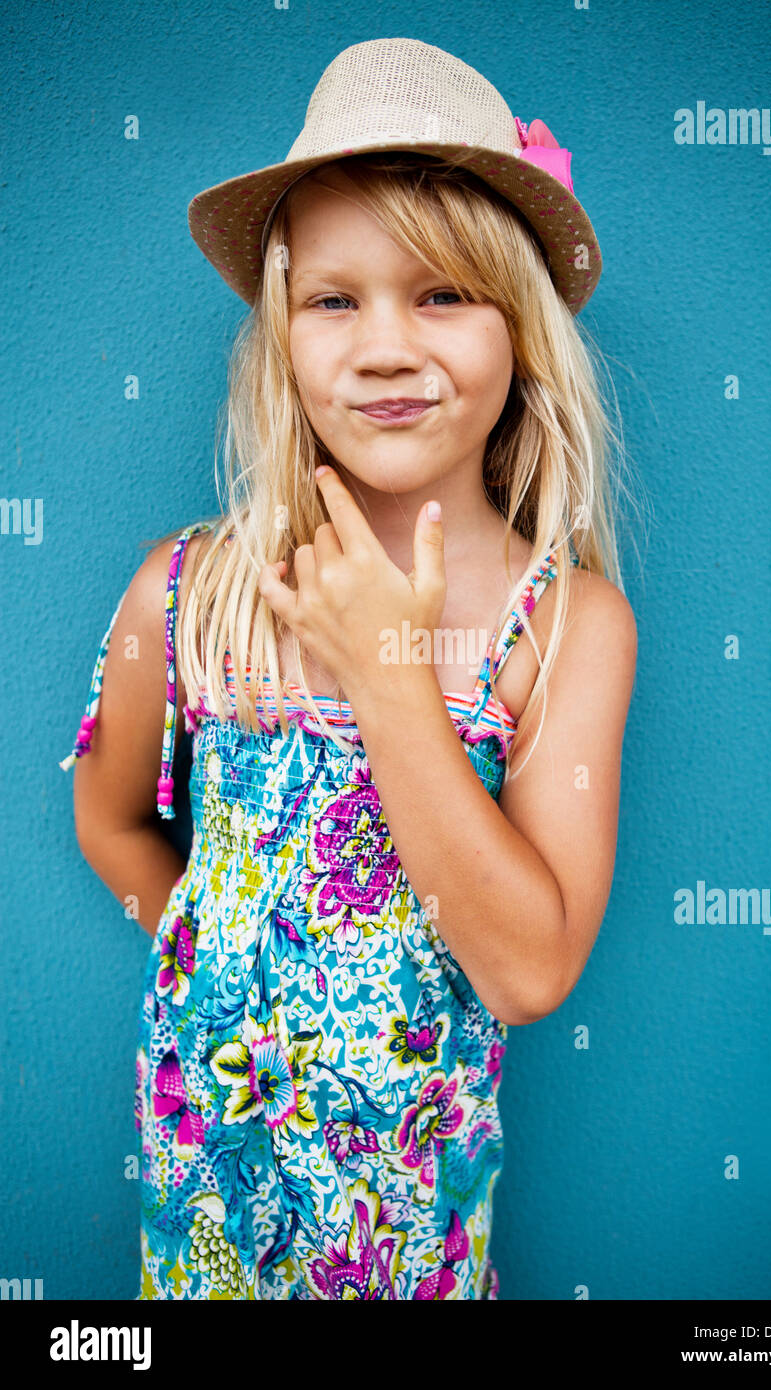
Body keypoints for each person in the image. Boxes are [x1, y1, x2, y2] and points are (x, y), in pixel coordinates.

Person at [60, 37, 638, 1300]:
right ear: (281, 335)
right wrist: (225, 961)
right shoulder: (185, 593)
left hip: (412, 1250)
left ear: (521, 328)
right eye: (334, 299)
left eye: (441, 294)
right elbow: (109, 819)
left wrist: (385, 675)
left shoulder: (566, 624)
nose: (383, 347)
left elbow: (528, 970)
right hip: (204, 1215)